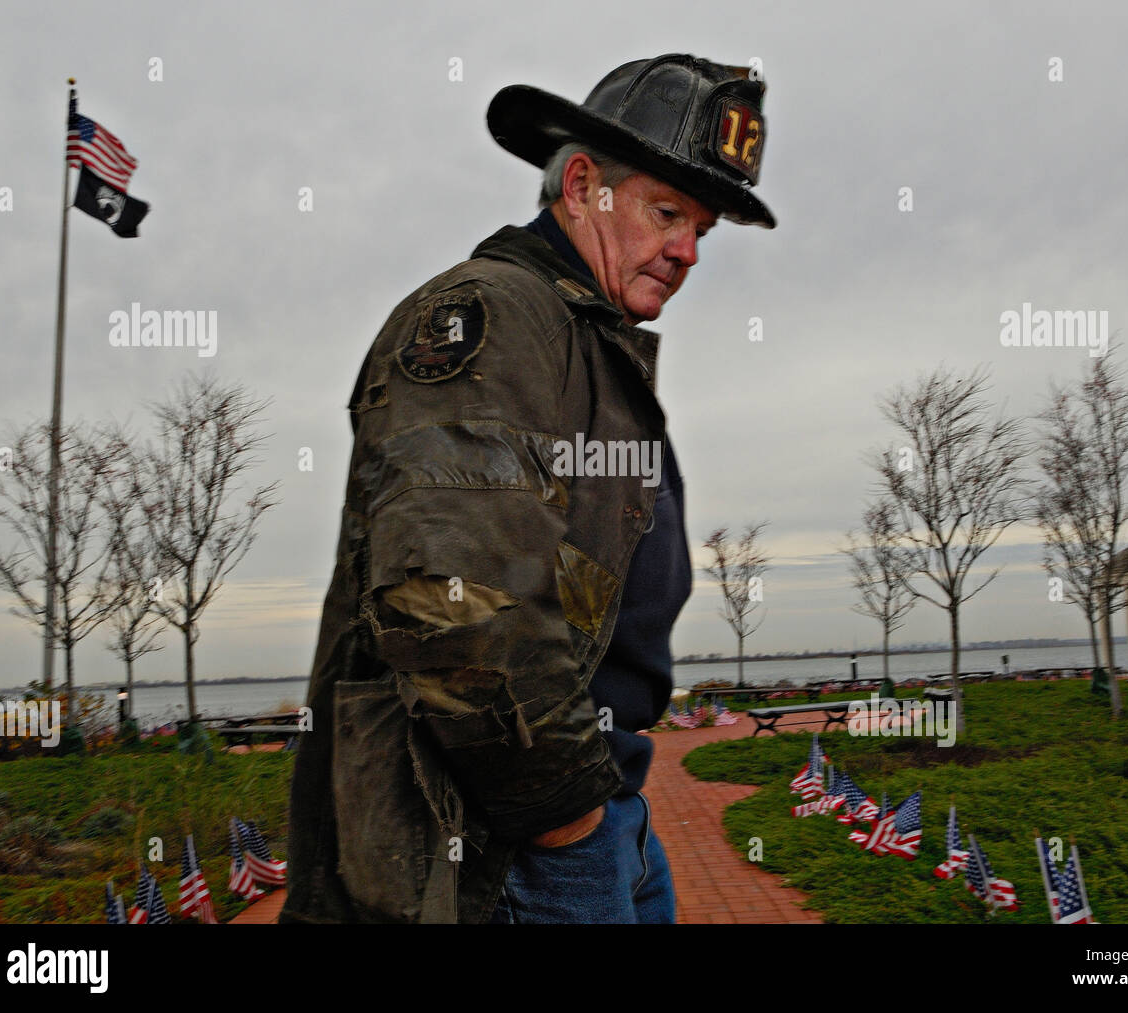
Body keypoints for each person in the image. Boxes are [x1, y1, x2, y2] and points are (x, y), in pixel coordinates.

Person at [281, 53, 775, 925]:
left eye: (703, 228)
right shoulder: (497, 313)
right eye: (668, 212)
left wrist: (603, 811)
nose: (689, 251)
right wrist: (568, 821)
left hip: (596, 801)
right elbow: (453, 602)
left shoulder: (590, 338)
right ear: (583, 185)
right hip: (502, 839)